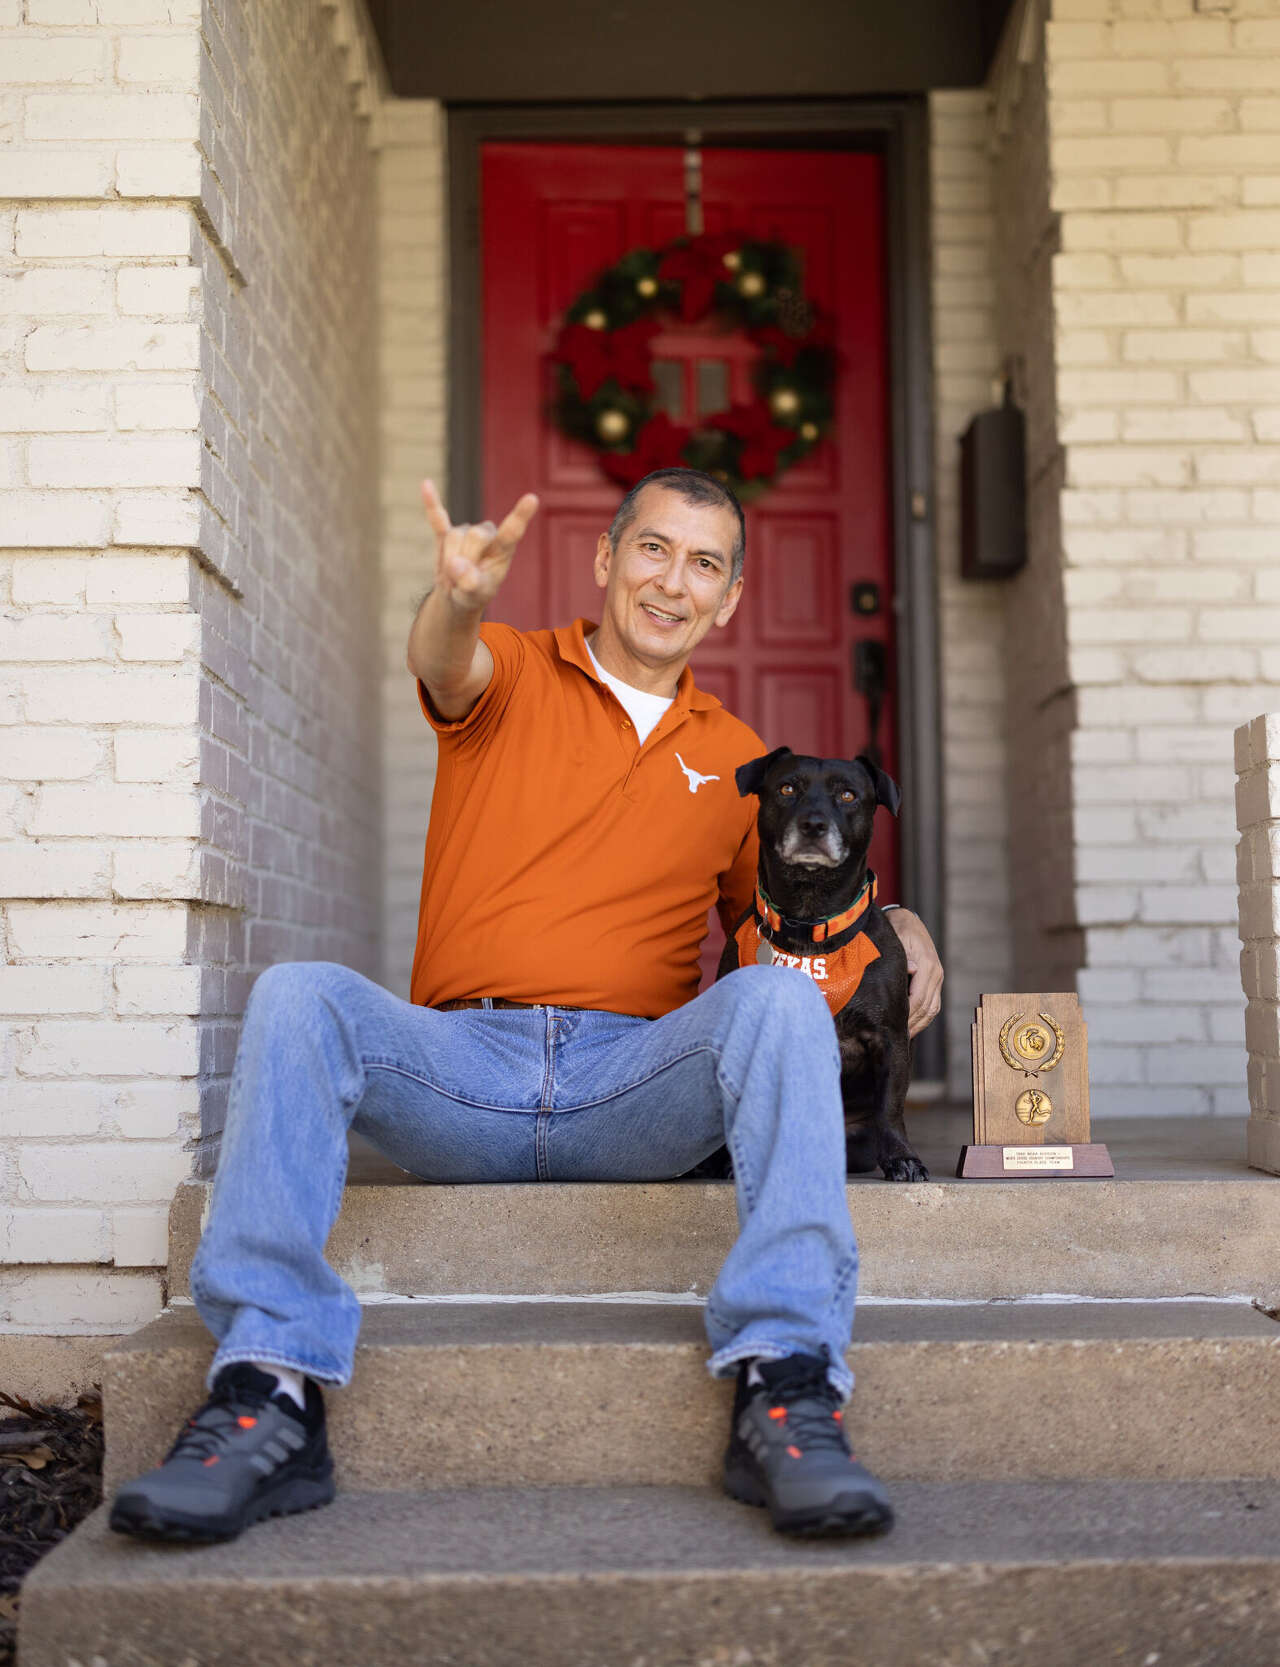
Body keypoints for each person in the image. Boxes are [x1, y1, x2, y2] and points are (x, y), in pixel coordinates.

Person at [109, 466, 944, 1545]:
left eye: (702, 563)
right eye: (651, 548)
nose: (671, 581)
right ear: (604, 560)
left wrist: (898, 919)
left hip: (628, 1081)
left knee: (778, 1004)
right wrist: (458, 596)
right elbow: (441, 662)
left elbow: (794, 923)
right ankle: (267, 1389)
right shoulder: (510, 666)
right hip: (461, 1065)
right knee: (300, 993)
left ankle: (785, 1384)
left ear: (729, 598)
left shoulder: (740, 760)